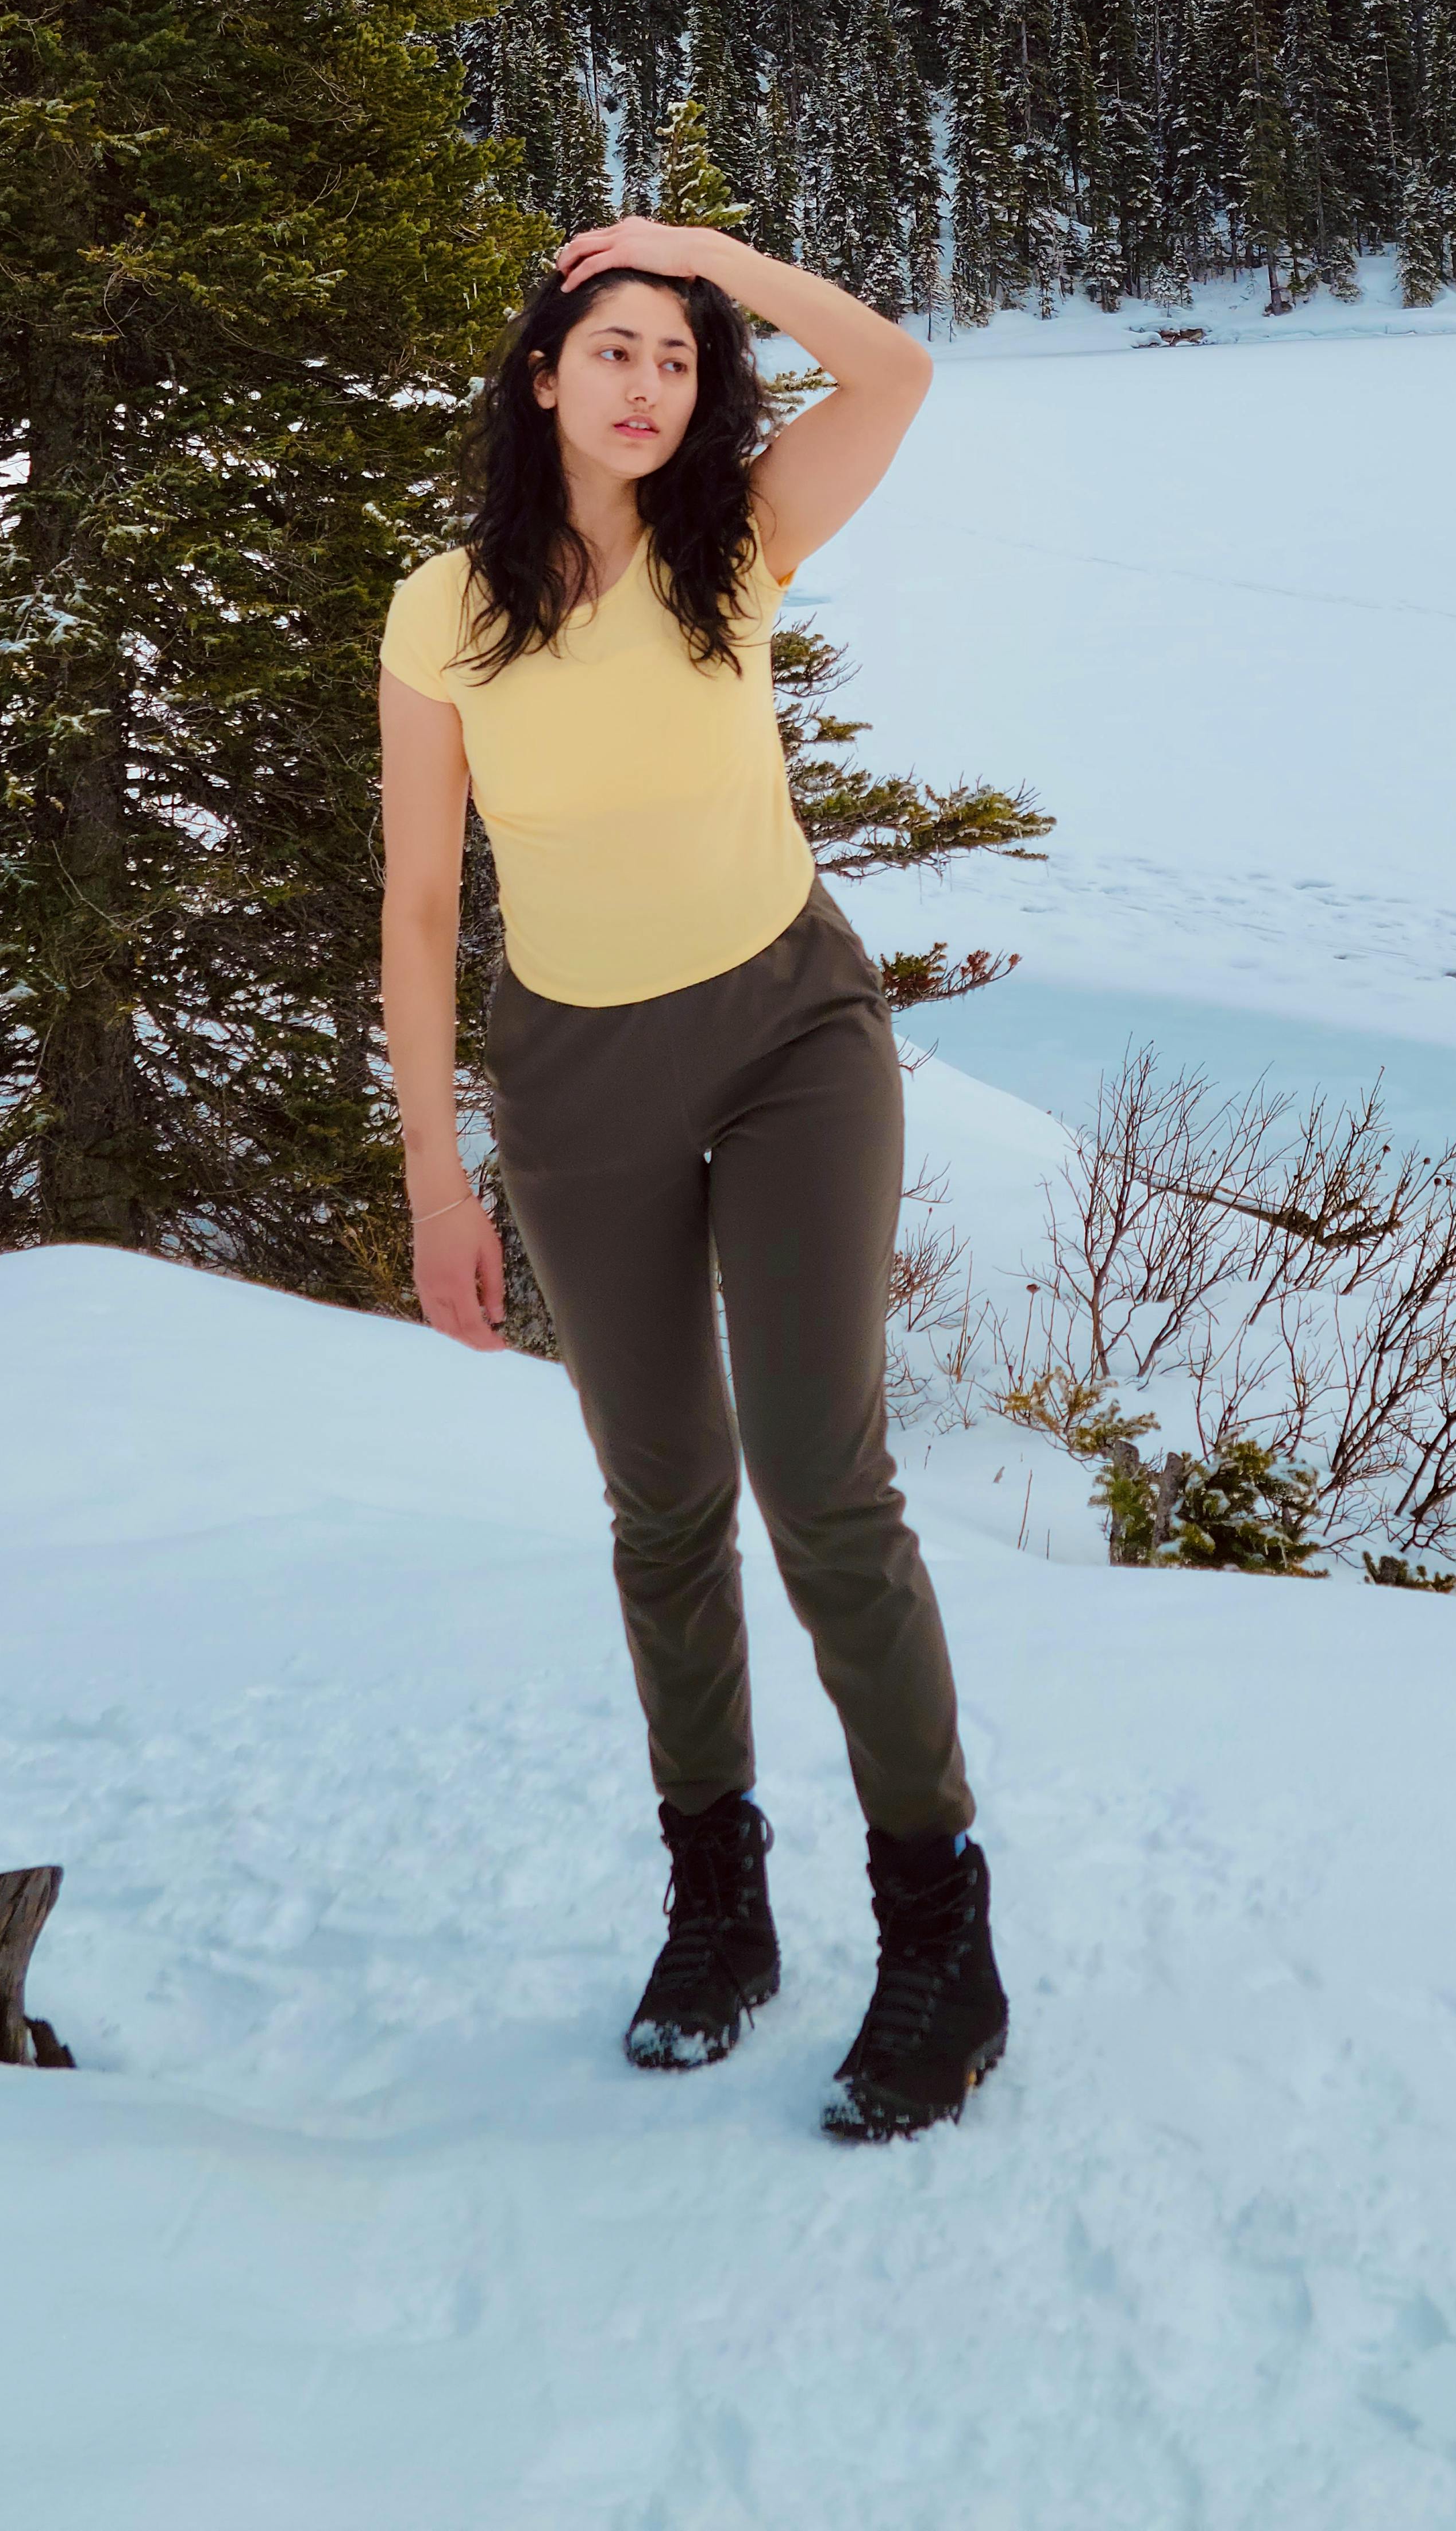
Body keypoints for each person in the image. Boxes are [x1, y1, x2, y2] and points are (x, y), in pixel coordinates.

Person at [376, 214, 1008, 2144]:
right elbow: (418, 907)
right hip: (577, 1080)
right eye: (613, 349)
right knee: (663, 1505)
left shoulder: (736, 540)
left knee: (824, 1484)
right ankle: (719, 1911)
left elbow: (896, 371)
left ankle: (940, 1938)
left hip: (792, 1030)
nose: (647, 382)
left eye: (675, 354)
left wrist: (696, 251)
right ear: (542, 380)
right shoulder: (444, 612)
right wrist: (439, 1179)